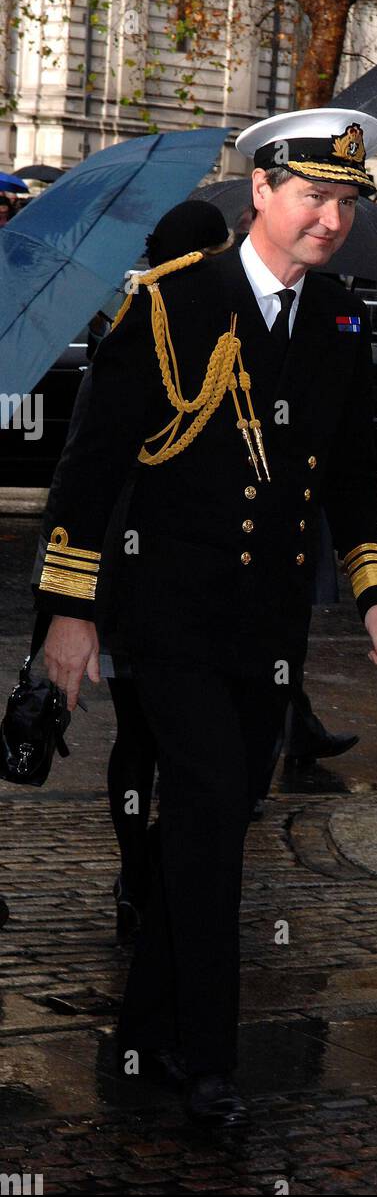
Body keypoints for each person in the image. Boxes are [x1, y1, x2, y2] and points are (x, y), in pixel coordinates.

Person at [36, 108, 377, 1127]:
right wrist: (70, 615)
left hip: (267, 631)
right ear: (261, 190)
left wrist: (372, 586)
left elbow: (351, 471)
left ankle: (142, 1025)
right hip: (166, 618)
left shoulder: (337, 318)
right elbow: (91, 467)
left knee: (211, 820)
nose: (330, 218)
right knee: (207, 818)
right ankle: (208, 1056)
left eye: (345, 202)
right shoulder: (170, 304)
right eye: (312, 196)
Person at [31, 201, 237, 944]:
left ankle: (141, 875)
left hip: (134, 568)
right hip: (126, 568)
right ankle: (141, 873)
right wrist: (67, 598)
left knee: (144, 739)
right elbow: (88, 470)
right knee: (152, 738)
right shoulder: (148, 326)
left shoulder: (146, 318)